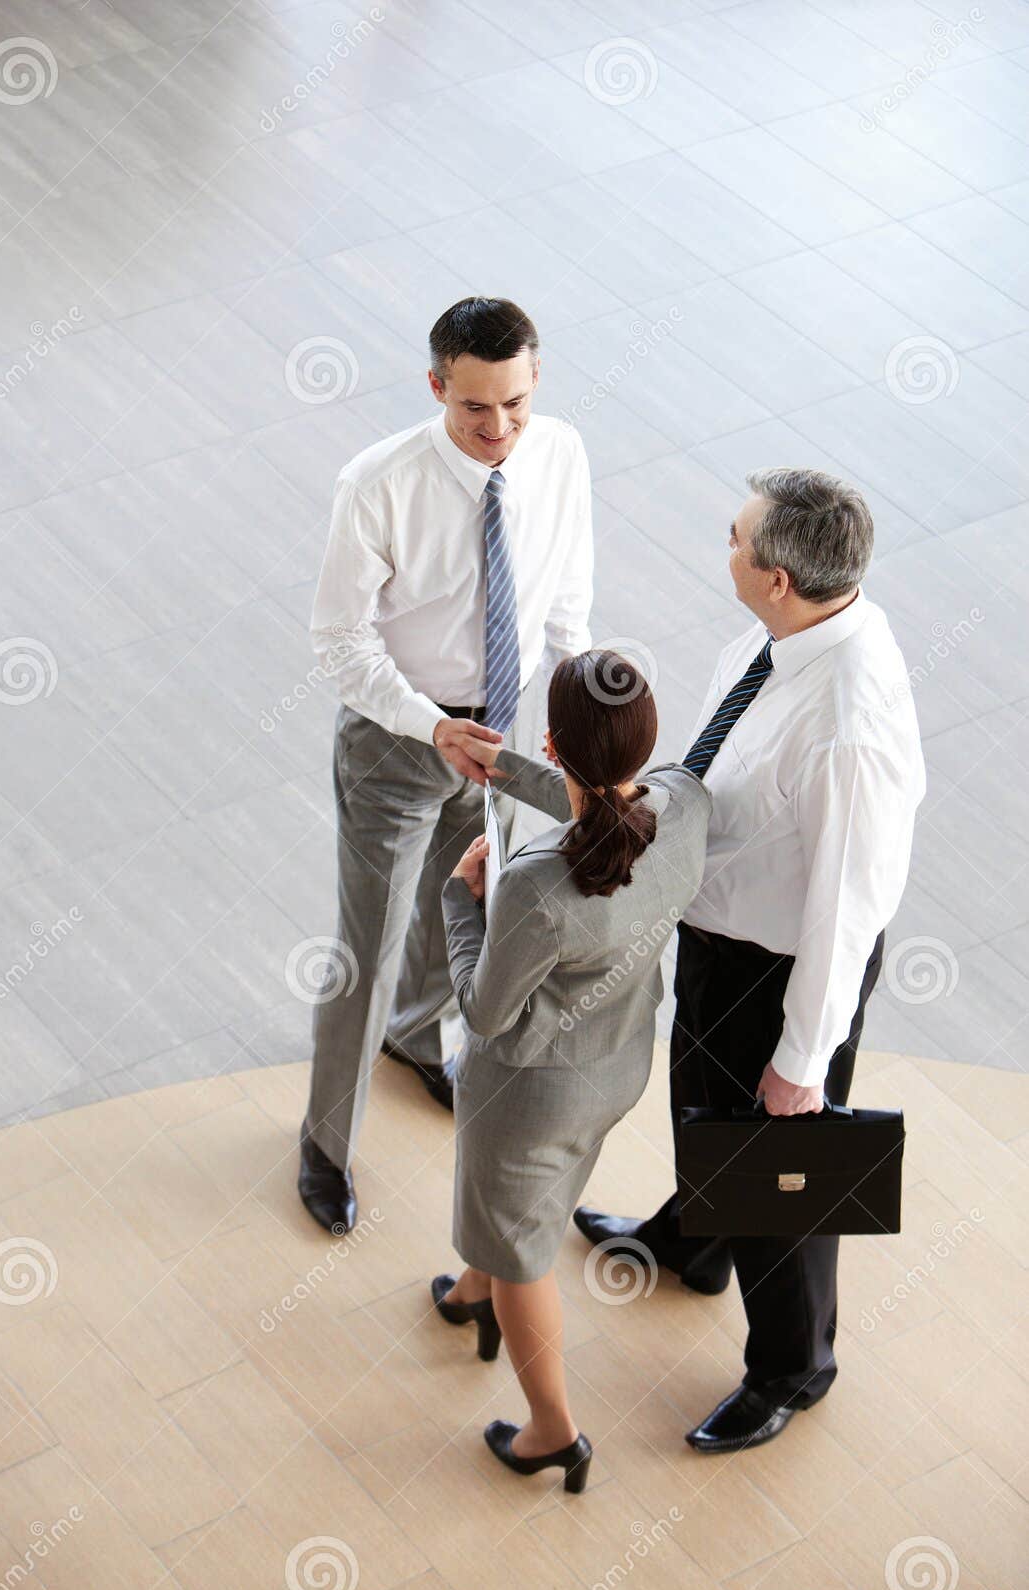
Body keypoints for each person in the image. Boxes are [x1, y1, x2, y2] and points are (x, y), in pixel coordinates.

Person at [575, 468, 926, 1454]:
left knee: (780, 1170)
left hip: (781, 969)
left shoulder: (845, 723)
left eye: (734, 538)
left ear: (776, 578)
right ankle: (689, 1243)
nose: (721, 546)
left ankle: (790, 1367)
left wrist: (801, 1060)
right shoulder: (789, 633)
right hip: (724, 938)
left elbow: (848, 904)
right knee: (705, 1112)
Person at [298, 297, 594, 1233]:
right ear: (436, 387)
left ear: (534, 381)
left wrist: (568, 698)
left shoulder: (561, 453)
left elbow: (566, 587)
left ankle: (418, 1041)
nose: (498, 428)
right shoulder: (377, 484)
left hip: (498, 738)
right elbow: (339, 643)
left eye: (514, 403)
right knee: (369, 945)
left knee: (461, 903)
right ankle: (324, 1141)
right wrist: (431, 727)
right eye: (474, 408)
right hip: (397, 741)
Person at [431, 651, 711, 1493]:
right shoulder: (684, 803)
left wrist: (458, 898)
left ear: (553, 746)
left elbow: (484, 1013)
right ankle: (474, 1288)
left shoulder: (532, 887)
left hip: (526, 1097)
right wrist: (505, 771)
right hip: (615, 1068)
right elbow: (610, 804)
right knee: (519, 1214)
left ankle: (552, 1431)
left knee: (526, 1256)